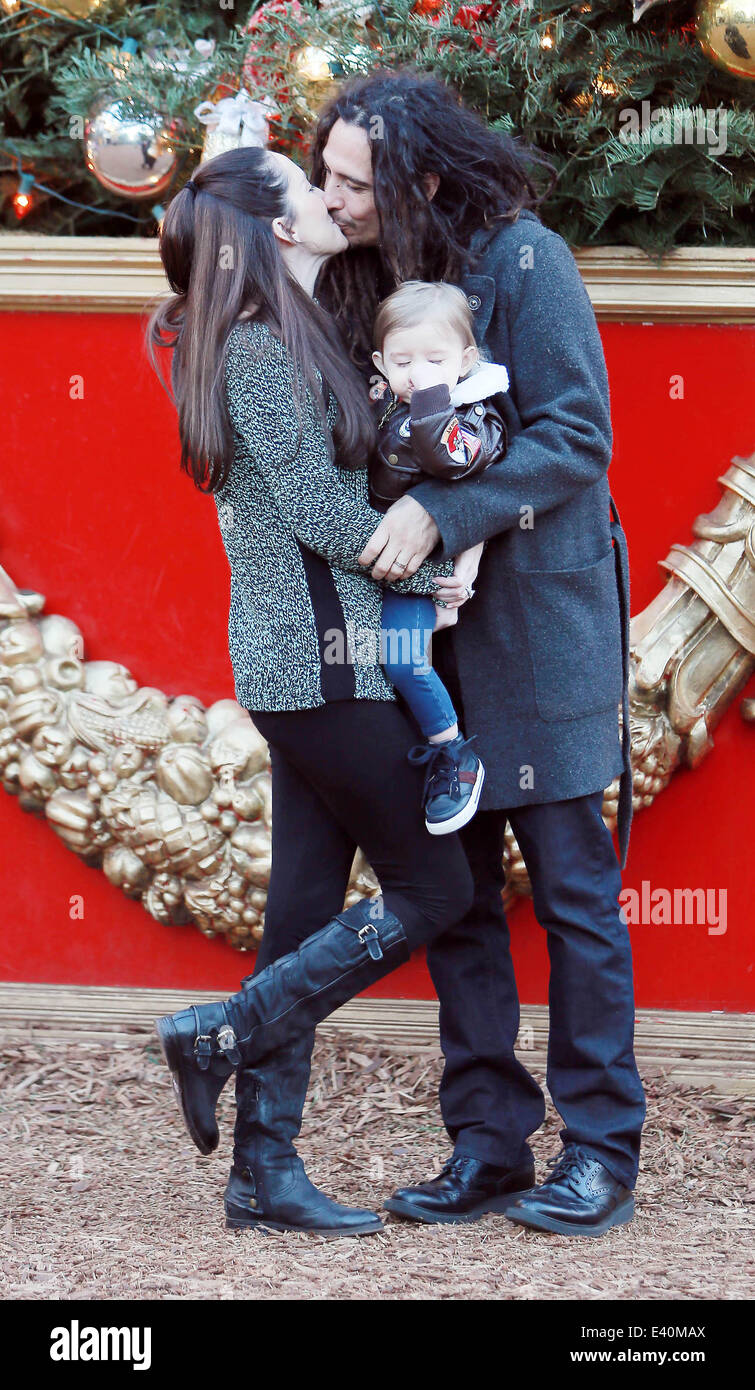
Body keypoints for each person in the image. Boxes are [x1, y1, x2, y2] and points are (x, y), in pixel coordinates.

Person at [148, 145, 536, 1238]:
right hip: (324, 664)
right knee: (433, 890)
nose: (327, 197)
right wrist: (433, 568)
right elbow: (322, 514)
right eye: (303, 185)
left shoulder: (295, 335)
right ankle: (222, 1033)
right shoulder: (259, 352)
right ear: (274, 227)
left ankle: (261, 1174)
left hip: (321, 662)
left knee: (304, 911)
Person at [310, 67, 646, 1237]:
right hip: (431, 647)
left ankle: (601, 1150)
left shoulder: (523, 262)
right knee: (453, 902)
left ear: (421, 177)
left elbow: (575, 434)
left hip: (540, 634)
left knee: (572, 898)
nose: (334, 195)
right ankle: (488, 1146)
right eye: (326, 174)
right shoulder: (373, 279)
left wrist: (442, 517)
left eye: (353, 180)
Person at [369, 279, 510, 834]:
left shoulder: (471, 414)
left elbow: (455, 465)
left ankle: (453, 752)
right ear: (381, 362)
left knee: (402, 659)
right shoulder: (383, 400)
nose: (417, 373)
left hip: (417, 573)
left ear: (466, 360)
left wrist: (431, 399)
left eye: (435, 359)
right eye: (403, 361)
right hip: (370, 560)